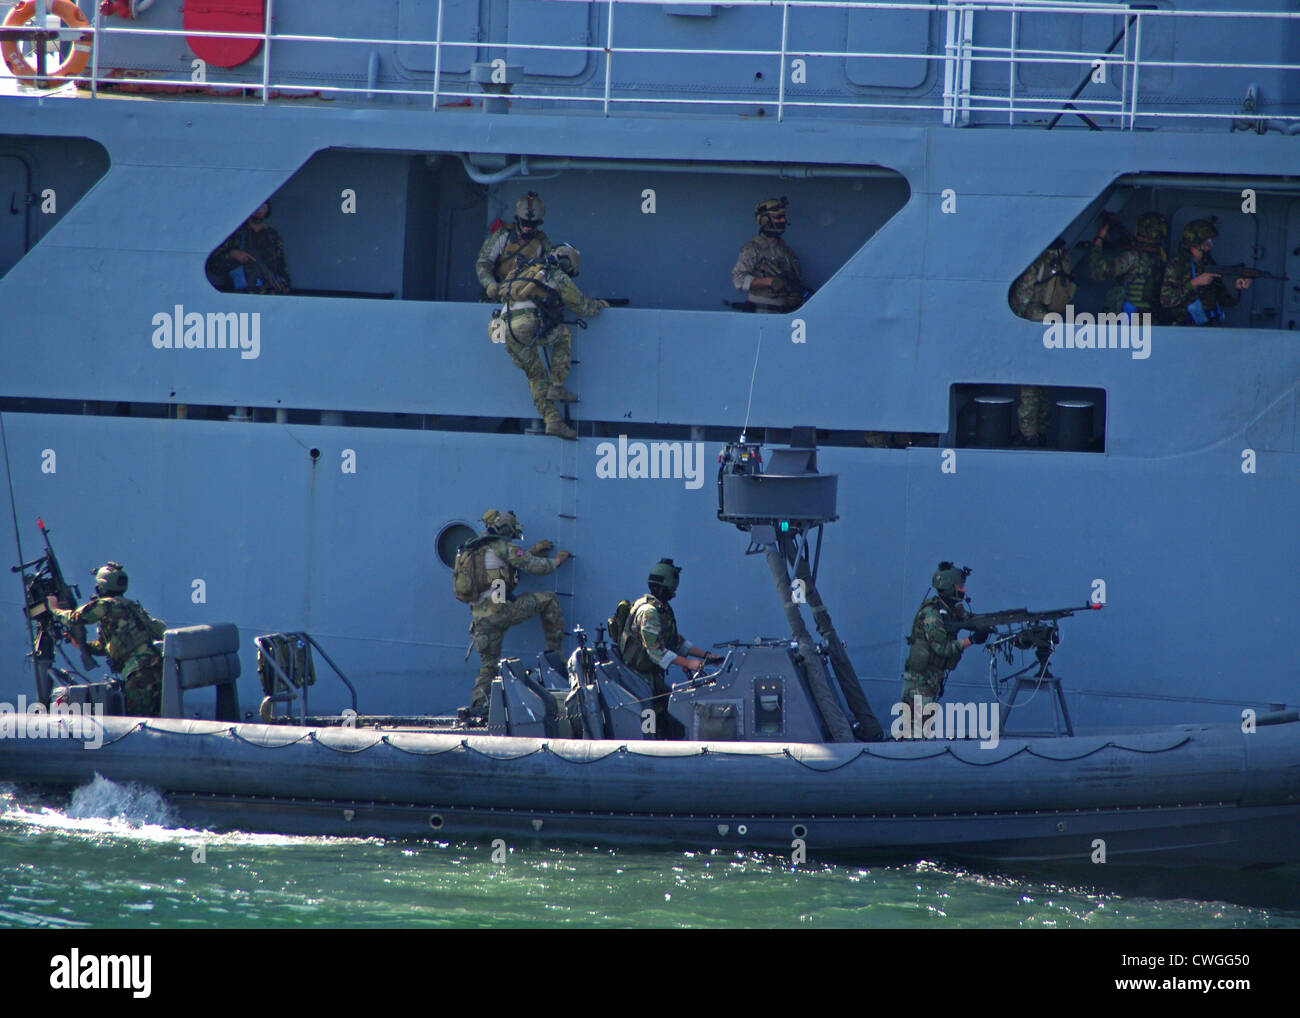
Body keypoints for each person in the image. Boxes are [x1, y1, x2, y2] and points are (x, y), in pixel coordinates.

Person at [490, 244, 608, 440]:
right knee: (562, 334)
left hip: (504, 329)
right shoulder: (555, 275)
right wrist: (600, 305)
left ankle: (553, 421)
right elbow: (582, 306)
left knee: (535, 377)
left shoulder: (523, 271)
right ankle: (557, 386)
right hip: (527, 324)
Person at [462, 509, 571, 721]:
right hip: (503, 612)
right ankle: (555, 656)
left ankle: (479, 707)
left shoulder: (474, 550)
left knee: (489, 667)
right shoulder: (503, 547)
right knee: (549, 599)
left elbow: (504, 568)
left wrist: (533, 551)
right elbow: (533, 567)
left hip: (481, 620)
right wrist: (557, 561)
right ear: (507, 528)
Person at [46, 562, 166, 717]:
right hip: (155, 668)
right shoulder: (131, 607)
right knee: (156, 718)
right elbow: (106, 647)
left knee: (138, 721)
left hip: (139, 674)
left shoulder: (106, 605)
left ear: (100, 587)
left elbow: (75, 617)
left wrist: (54, 609)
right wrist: (84, 646)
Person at [616, 559, 720, 737]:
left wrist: (706, 656)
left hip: (652, 676)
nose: (674, 593)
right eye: (673, 589)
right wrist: (688, 663)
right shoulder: (648, 612)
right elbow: (656, 652)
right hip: (640, 679)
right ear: (665, 587)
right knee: (653, 718)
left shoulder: (661, 609)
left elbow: (675, 641)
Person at [899, 562, 987, 736]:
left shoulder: (950, 608)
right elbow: (943, 649)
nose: (963, 591)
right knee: (916, 730)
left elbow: (968, 619)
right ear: (949, 588)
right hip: (920, 681)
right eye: (960, 587)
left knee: (921, 727)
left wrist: (985, 624)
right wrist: (971, 640)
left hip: (931, 677)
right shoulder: (932, 614)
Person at [1010, 238, 1076, 445]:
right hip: (1053, 322)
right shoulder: (1062, 259)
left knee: (1029, 384)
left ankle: (1029, 436)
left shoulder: (1038, 261)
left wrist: (1013, 322)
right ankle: (1042, 430)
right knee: (1043, 382)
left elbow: (1024, 293)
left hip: (1033, 322)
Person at [1160, 219, 1251, 326]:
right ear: (1196, 242)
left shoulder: (1208, 263)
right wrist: (1194, 283)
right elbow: (1166, 300)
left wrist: (1235, 287)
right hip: (1184, 327)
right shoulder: (1178, 264)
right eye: (1207, 241)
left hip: (1208, 326)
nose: (1211, 244)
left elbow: (1222, 299)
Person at [731, 196, 805, 312]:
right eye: (777, 217)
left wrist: (794, 296)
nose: (782, 221)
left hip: (783, 314)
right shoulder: (752, 249)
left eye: (783, 217)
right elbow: (738, 280)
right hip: (759, 313)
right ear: (765, 220)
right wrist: (769, 282)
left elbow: (796, 283)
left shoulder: (787, 252)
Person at [1087, 211, 1168, 316]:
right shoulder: (1161, 256)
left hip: (1128, 320)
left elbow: (1097, 272)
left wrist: (1099, 240)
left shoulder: (1132, 258)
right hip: (1150, 319)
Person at [476, 191, 553, 299]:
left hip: (524, 295)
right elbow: (484, 263)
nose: (528, 227)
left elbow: (551, 268)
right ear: (518, 219)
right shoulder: (504, 235)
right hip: (498, 291)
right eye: (525, 223)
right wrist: (490, 283)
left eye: (532, 224)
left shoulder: (541, 242)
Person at [207, 202, 291, 294]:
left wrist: (284, 286)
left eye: (262, 208)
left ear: (267, 211)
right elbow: (214, 267)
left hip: (269, 297)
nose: (258, 211)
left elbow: (281, 266)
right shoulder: (234, 234)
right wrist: (232, 254)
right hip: (238, 296)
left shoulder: (273, 236)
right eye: (255, 207)